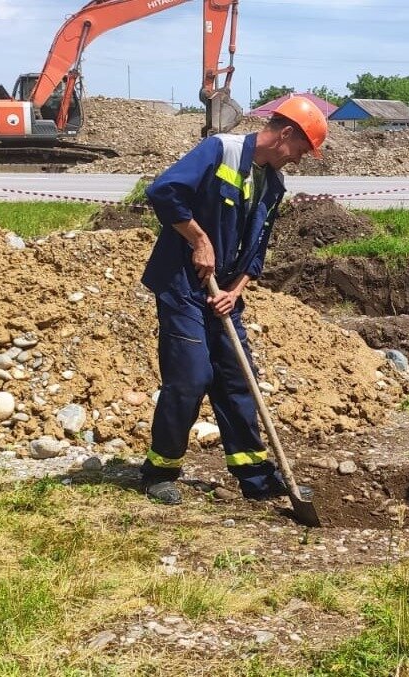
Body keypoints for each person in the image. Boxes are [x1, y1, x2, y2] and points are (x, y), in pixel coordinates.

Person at [139, 96, 328, 505]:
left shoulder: (273, 184)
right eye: (300, 151)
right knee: (191, 377)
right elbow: (163, 191)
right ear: (286, 134)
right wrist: (199, 239)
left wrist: (235, 291)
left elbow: (257, 249)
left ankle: (255, 476)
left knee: (237, 379)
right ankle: (160, 470)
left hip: (222, 293)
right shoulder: (219, 150)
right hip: (183, 285)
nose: (298, 160)